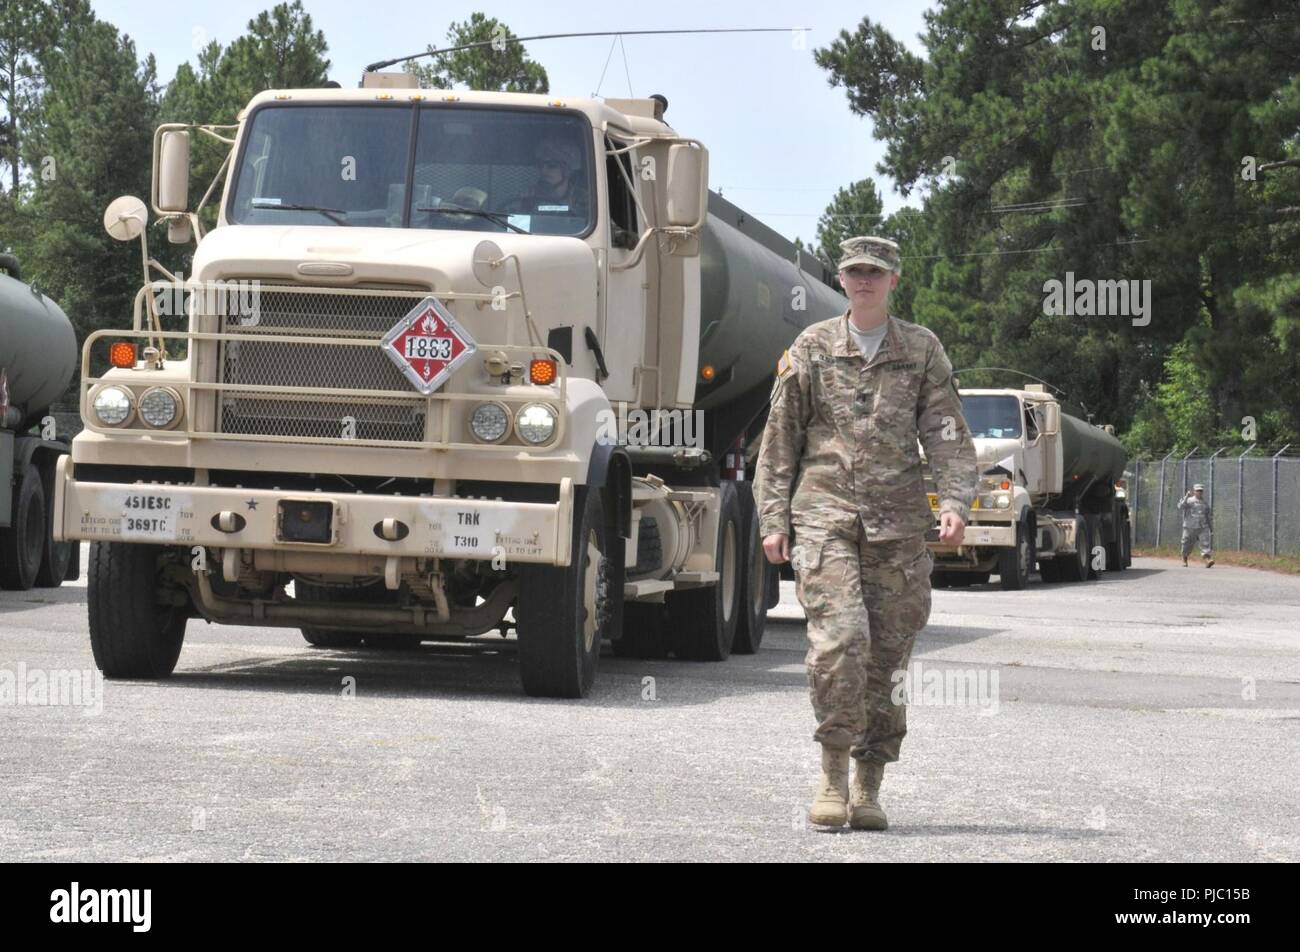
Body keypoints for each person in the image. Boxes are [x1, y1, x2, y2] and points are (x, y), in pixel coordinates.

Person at [753, 236, 977, 831]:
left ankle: (869, 785)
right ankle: (831, 776)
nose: (864, 280)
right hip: (824, 515)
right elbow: (781, 438)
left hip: (898, 526)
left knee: (887, 658)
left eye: (875, 272)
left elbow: (946, 432)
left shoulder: (921, 349)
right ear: (843, 280)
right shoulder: (814, 346)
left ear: (894, 279)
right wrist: (773, 518)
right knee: (840, 640)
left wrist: (954, 500)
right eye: (854, 272)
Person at [510, 138, 589, 220]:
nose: (543, 170)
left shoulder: (584, 200)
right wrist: (524, 206)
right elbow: (516, 228)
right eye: (540, 165)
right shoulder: (530, 196)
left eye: (552, 165)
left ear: (567, 170)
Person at [1178, 483, 1214, 567]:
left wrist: (1211, 528)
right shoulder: (1189, 500)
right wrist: (1186, 496)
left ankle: (1208, 560)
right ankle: (1184, 558)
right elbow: (1181, 506)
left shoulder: (1205, 503)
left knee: (1205, 543)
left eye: (1201, 491)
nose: (1199, 492)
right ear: (1194, 491)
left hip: (1202, 527)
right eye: (1198, 490)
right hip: (1189, 527)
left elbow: (1208, 516)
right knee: (1186, 543)